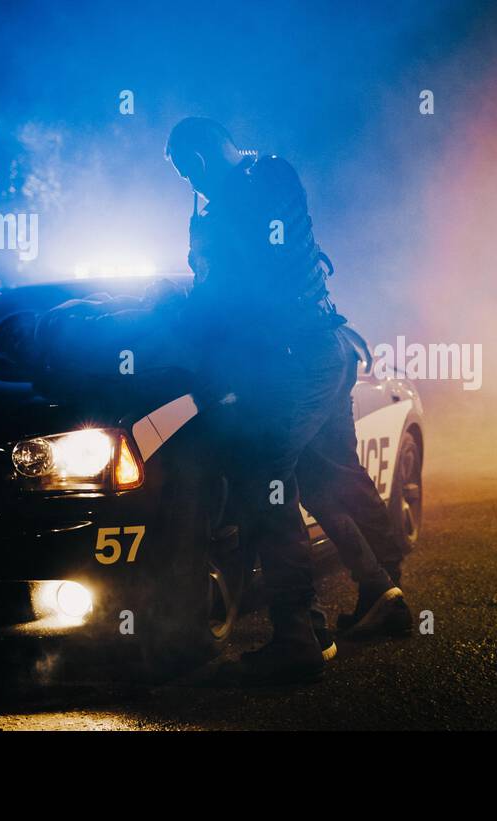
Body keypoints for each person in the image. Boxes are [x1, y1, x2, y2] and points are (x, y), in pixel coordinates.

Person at [166, 116, 354, 683]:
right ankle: (317, 627)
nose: (188, 185)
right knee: (289, 482)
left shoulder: (240, 200)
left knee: (265, 483)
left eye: (184, 172)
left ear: (195, 163)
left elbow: (222, 299)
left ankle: (297, 638)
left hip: (301, 358)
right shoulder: (270, 175)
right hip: (315, 353)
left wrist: (172, 313)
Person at [297, 324, 412, 640]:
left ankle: (304, 631)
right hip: (324, 352)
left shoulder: (249, 280)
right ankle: (387, 591)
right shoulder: (307, 291)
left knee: (289, 473)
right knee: (331, 481)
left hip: (304, 359)